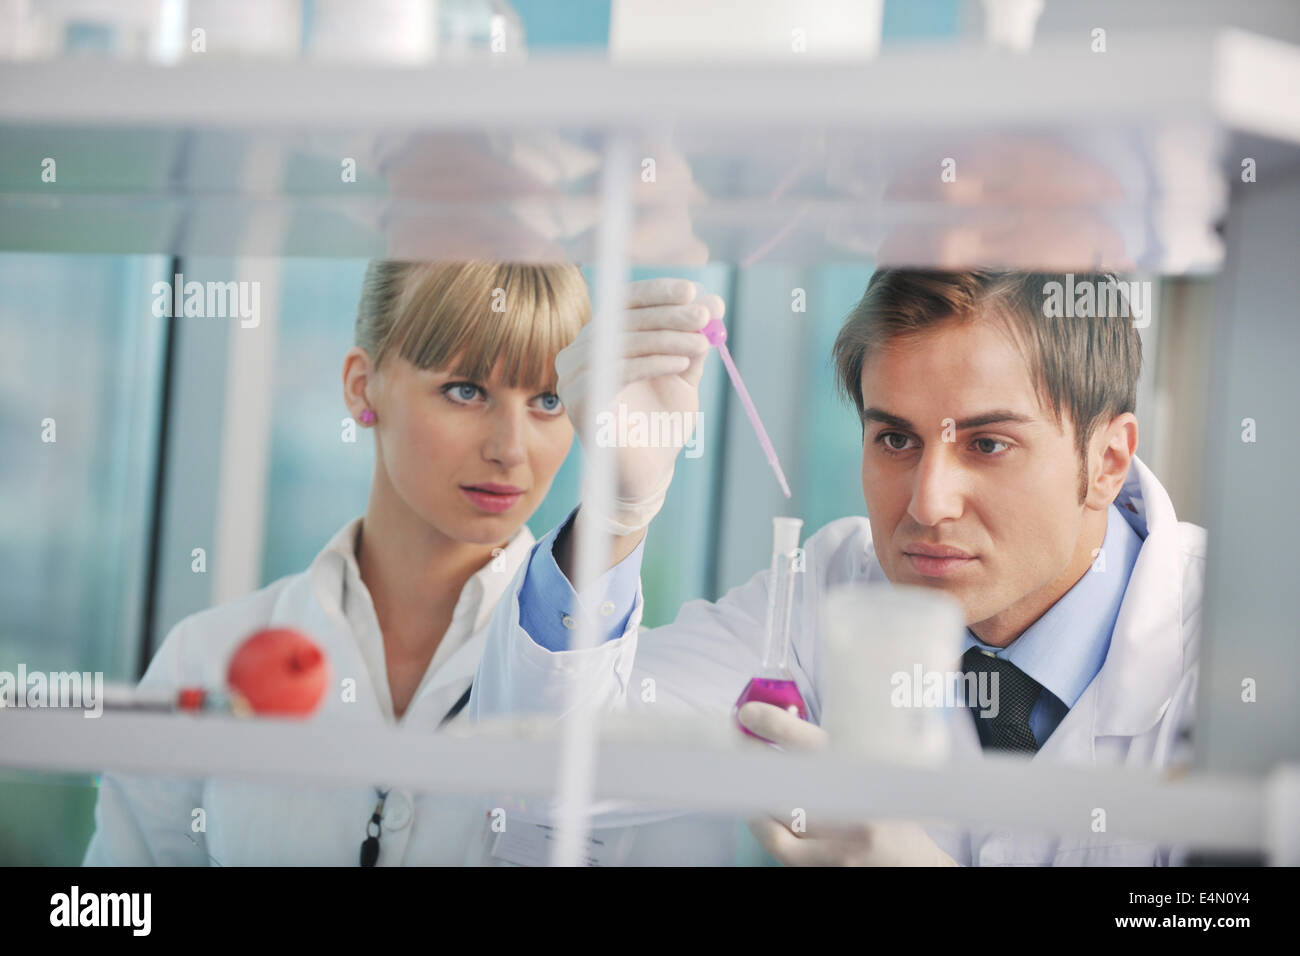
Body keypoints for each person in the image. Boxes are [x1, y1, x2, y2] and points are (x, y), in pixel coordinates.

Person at [470, 270, 1205, 866]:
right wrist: (618, 511)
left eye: (987, 444)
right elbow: (539, 778)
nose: (928, 503)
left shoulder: (1238, 646)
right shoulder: (833, 590)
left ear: (1107, 461)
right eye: (894, 439)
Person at [83, 260, 591, 865]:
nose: (510, 448)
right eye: (466, 390)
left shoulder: (594, 684)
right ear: (361, 387)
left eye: (549, 399)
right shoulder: (206, 656)